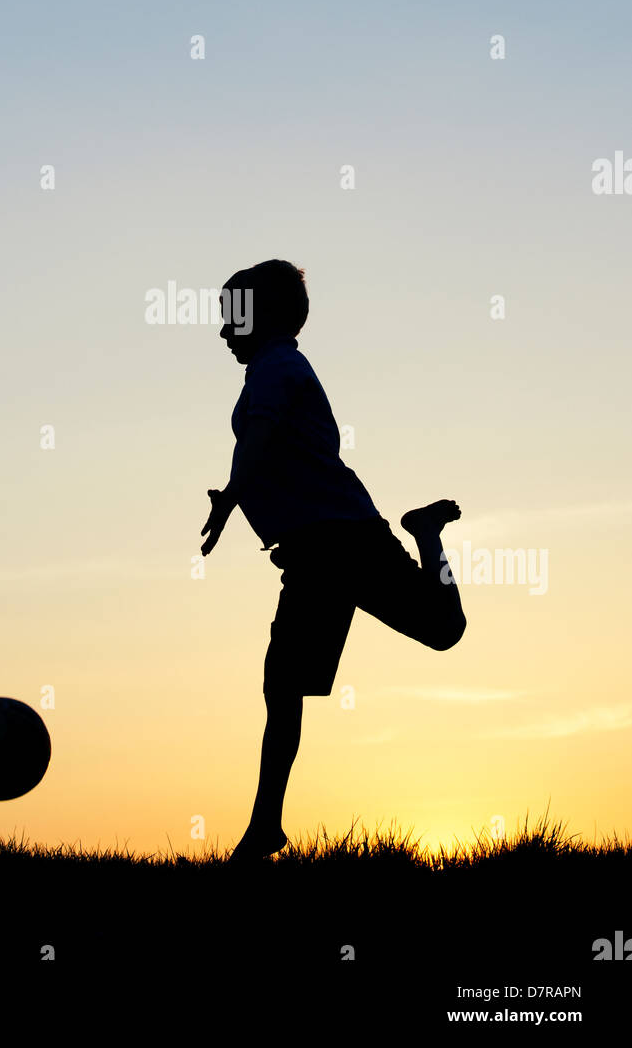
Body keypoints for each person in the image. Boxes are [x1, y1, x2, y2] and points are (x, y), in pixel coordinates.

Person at [200, 260, 467, 862]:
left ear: (263, 316)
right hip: (315, 549)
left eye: (232, 317)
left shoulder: (277, 369)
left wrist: (232, 497)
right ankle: (265, 825)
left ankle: (428, 534)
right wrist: (232, 494)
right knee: (283, 683)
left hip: (342, 540)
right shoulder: (273, 371)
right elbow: (263, 449)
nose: (223, 332)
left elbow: (260, 442)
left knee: (444, 631)